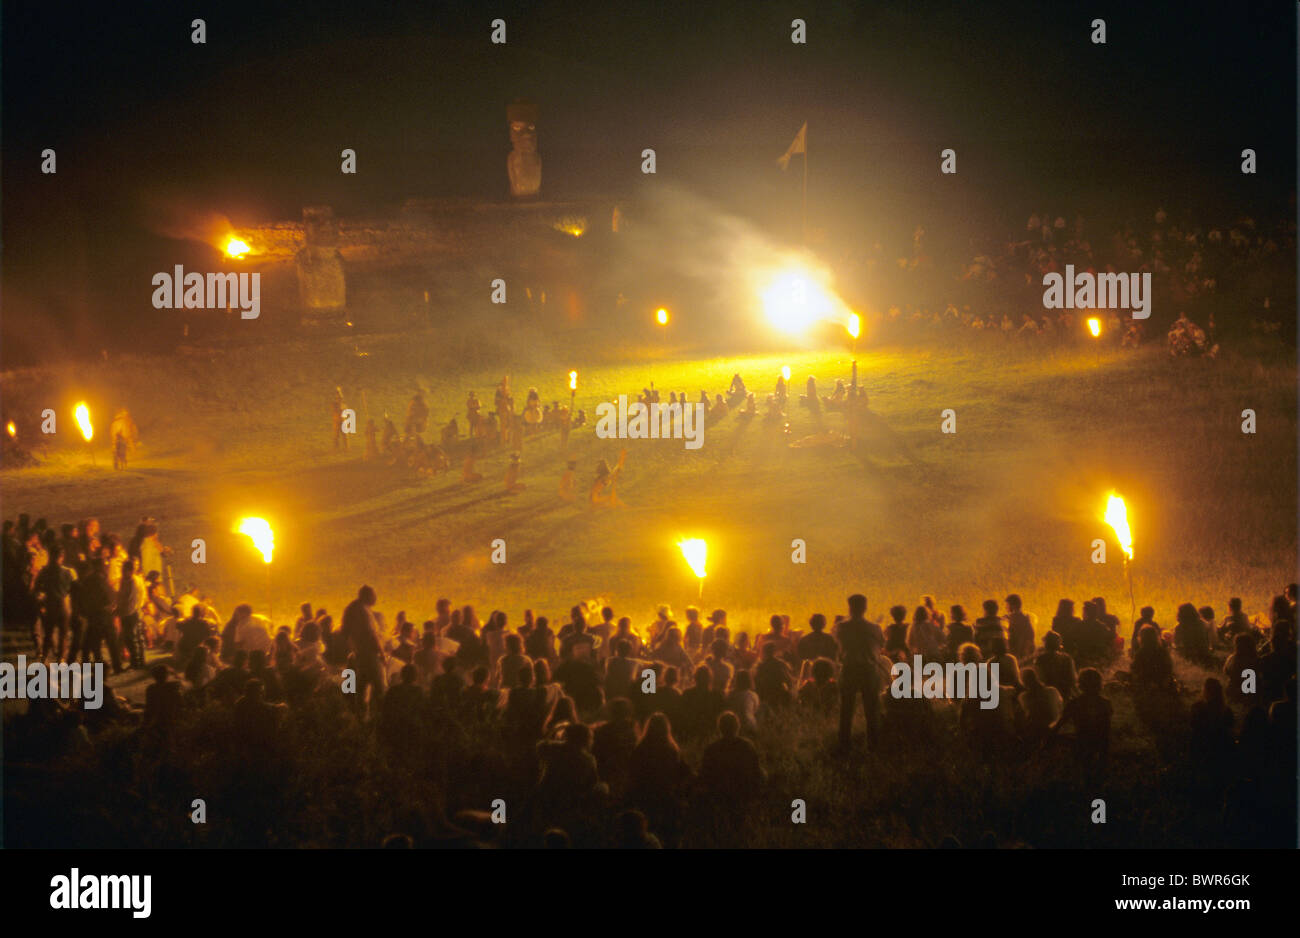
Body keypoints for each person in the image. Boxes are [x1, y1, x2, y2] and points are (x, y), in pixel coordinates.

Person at [835, 594, 886, 751]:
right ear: (865, 607)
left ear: (849, 607)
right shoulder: (874, 628)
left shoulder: (841, 627)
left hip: (849, 669)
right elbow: (881, 644)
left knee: (846, 709)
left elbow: (839, 643)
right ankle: (873, 744)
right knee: (872, 710)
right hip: (868, 669)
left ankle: (844, 744)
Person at [1052, 667, 1112, 770]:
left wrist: (1048, 736)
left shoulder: (1074, 704)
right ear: (1099, 684)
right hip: (1102, 744)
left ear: (1081, 684)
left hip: (1082, 743)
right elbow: (1106, 727)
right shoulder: (1106, 703)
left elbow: (1059, 724)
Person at [698, 711, 765, 802]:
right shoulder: (746, 746)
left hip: (718, 796)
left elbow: (704, 775)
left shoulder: (711, 749)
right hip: (743, 795)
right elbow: (756, 770)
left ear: (720, 728)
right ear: (737, 726)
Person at [342, 585, 386, 717]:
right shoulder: (362, 610)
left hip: (358, 654)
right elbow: (371, 633)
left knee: (360, 687)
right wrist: (381, 653)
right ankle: (380, 717)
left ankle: (360, 717)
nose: (376, 598)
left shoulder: (352, 608)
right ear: (367, 596)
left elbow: (345, 632)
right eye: (374, 595)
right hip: (369, 654)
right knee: (380, 687)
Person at [35, 544, 76, 662]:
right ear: (61, 557)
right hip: (64, 604)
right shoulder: (68, 572)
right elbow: (72, 589)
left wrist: (41, 601)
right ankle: (61, 659)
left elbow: (37, 588)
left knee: (48, 633)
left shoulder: (44, 571)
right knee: (63, 634)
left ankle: (44, 657)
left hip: (50, 604)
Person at [116, 556, 148, 670]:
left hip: (130, 612)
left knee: (132, 638)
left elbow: (127, 598)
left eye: (124, 570)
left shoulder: (133, 581)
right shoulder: (131, 579)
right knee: (136, 637)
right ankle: (140, 661)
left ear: (129, 570)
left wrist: (118, 608)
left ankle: (136, 662)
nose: (122, 572)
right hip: (134, 611)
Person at [1016, 668, 1061, 744]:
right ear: (1036, 677)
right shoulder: (1052, 691)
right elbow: (1060, 707)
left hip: (1037, 730)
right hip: (1055, 726)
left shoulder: (1023, 697)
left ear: (1022, 682)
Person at [1035, 630, 1077, 701]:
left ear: (1045, 644)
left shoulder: (1040, 659)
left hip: (1047, 695)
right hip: (1065, 693)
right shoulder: (1066, 658)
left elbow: (1040, 678)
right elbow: (1073, 679)